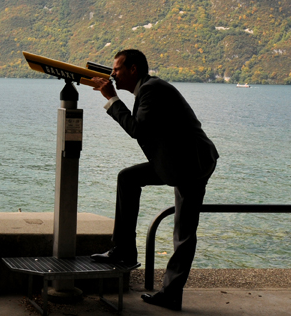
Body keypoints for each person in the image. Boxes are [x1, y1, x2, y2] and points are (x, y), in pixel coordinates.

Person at [89, 49, 218, 311]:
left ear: (133, 69)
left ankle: (170, 293)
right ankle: (123, 249)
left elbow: (138, 130)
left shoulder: (151, 89)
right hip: (173, 162)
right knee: (128, 178)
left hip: (192, 164)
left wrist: (112, 98)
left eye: (116, 69)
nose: (112, 74)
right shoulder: (147, 89)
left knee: (184, 232)